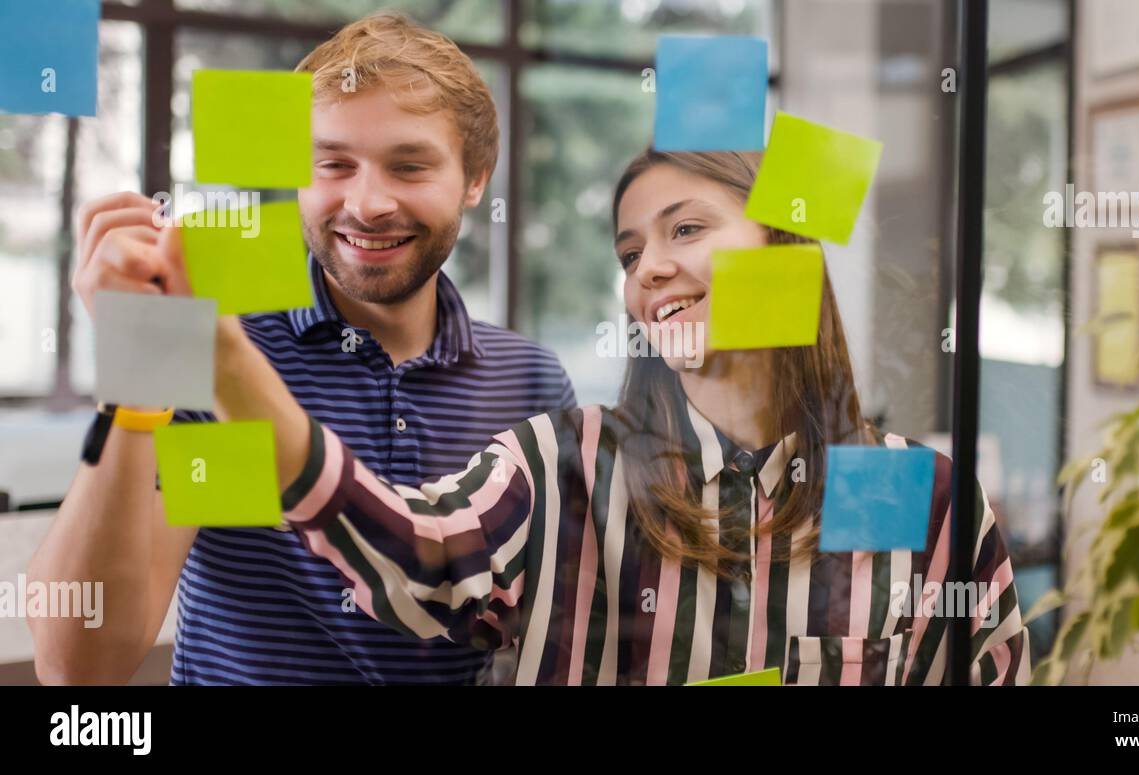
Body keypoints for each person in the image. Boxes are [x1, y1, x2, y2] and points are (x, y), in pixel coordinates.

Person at [198, 148, 1031, 685]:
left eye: (688, 229)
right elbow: (419, 561)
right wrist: (233, 367)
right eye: (630, 253)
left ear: (787, 251)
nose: (650, 270)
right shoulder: (560, 464)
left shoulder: (917, 496)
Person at [26, 12, 575, 685]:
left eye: (409, 165)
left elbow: (547, 632)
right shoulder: (225, 355)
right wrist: (141, 367)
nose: (368, 203)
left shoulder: (529, 380)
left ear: (474, 179)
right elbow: (80, 668)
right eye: (333, 164)